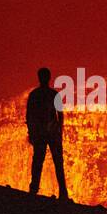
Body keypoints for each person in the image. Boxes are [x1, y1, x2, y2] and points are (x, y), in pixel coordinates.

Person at [25, 67, 70, 201]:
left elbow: (29, 116)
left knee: (38, 161)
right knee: (57, 163)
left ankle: (34, 189)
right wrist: (59, 132)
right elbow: (60, 116)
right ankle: (63, 193)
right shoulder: (53, 95)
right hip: (52, 133)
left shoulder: (34, 95)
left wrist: (32, 133)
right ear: (49, 78)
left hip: (41, 133)